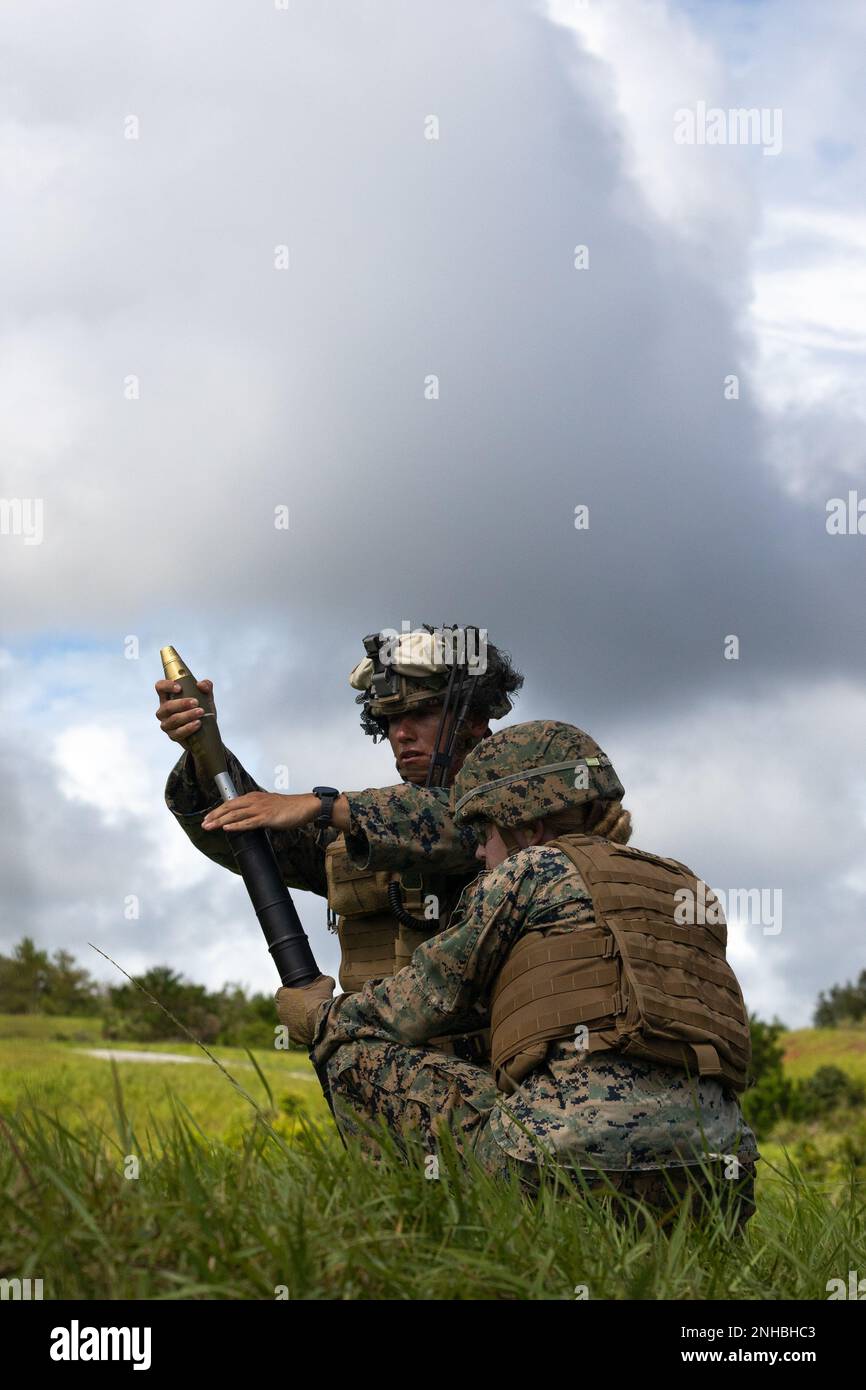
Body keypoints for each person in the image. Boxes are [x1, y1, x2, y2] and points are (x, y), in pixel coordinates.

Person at [277, 720, 758, 1228]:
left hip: (560, 1165)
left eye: (484, 834)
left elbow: (417, 1005)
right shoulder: (685, 884)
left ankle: (408, 1239)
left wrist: (319, 1015)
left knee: (352, 1051)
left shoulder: (525, 872)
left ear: (528, 829)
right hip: (719, 1175)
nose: (480, 854)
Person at [156, 626, 523, 1000]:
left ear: (475, 720)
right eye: (392, 719)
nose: (402, 734)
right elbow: (257, 835)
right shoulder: (365, 831)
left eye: (422, 713)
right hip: (372, 1049)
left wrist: (322, 805)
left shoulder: (528, 808)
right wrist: (204, 751)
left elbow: (460, 822)